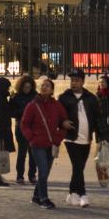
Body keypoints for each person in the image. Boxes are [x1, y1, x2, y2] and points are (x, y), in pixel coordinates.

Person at [18, 75, 67, 208]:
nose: (44, 87)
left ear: (52, 90)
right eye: (43, 85)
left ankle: (35, 196)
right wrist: (31, 137)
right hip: (37, 144)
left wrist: (58, 138)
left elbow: (64, 123)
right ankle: (44, 199)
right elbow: (24, 124)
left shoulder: (57, 105)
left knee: (45, 173)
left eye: (47, 86)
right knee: (43, 171)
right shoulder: (33, 105)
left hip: (51, 143)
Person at [58, 69, 101, 207]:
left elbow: (98, 119)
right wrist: (62, 123)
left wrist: (101, 137)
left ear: (82, 82)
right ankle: (83, 195)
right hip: (71, 138)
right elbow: (57, 117)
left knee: (79, 168)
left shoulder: (91, 98)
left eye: (76, 80)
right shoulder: (64, 98)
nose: (73, 83)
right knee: (77, 165)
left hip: (86, 139)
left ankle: (72, 194)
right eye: (72, 80)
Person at [9, 73, 38, 184]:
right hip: (20, 127)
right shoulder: (16, 97)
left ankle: (32, 175)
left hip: (33, 128)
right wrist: (23, 112)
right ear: (21, 87)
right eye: (25, 87)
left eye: (29, 87)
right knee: (22, 153)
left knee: (33, 153)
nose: (27, 89)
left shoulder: (35, 96)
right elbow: (11, 112)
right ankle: (20, 175)